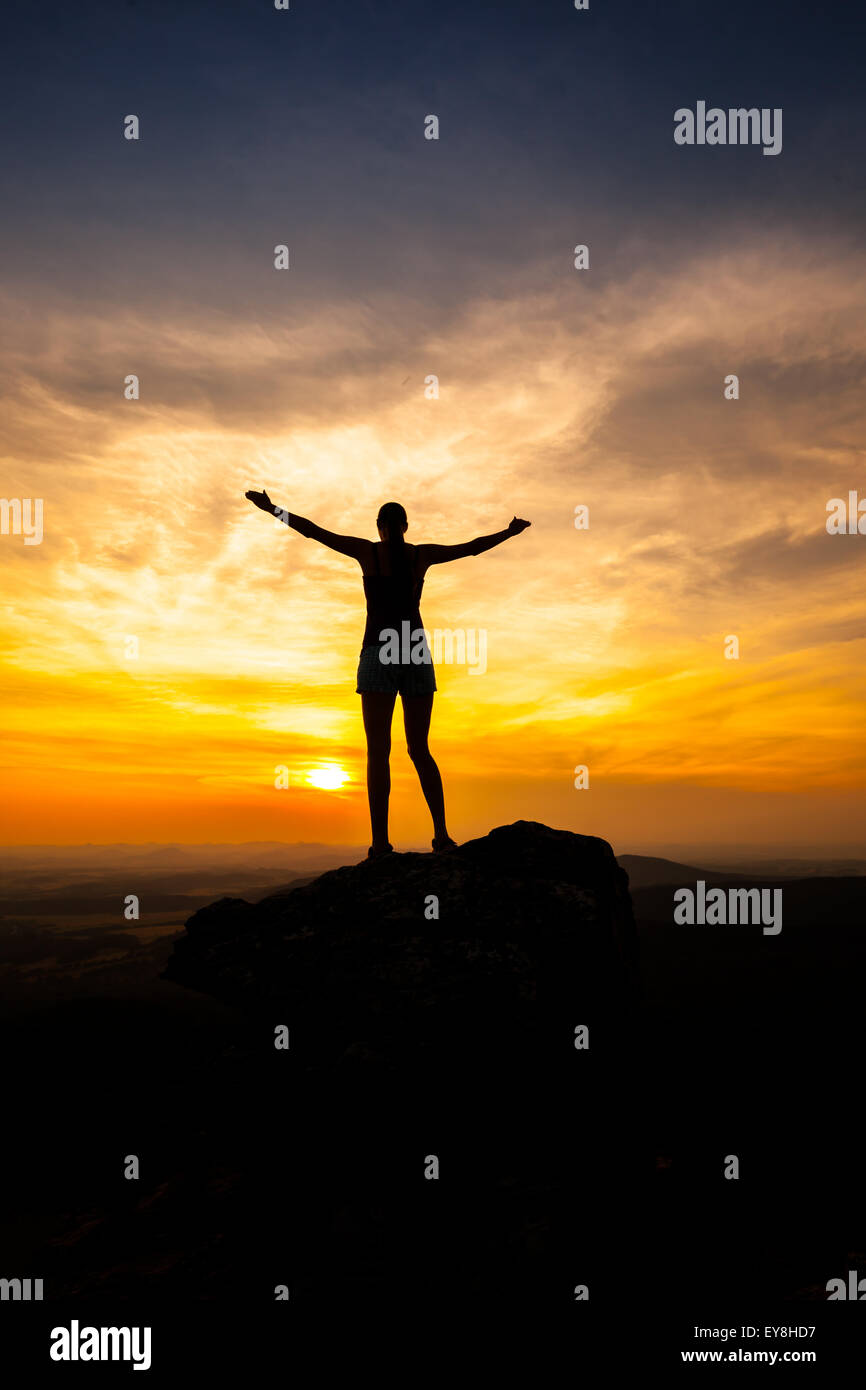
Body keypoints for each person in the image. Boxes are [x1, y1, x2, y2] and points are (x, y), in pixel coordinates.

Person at [245, 489, 531, 858]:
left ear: (380, 528)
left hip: (379, 649)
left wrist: (271, 509)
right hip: (412, 649)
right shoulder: (420, 554)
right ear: (405, 526)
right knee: (419, 749)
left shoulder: (369, 551)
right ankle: (441, 836)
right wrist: (508, 533)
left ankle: (381, 844)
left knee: (379, 751)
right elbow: (472, 547)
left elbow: (312, 531)